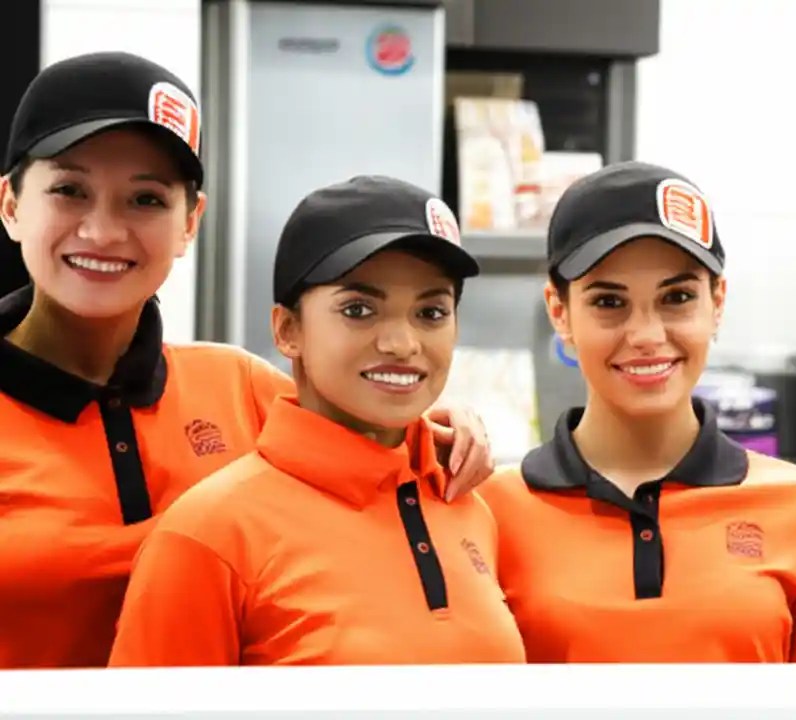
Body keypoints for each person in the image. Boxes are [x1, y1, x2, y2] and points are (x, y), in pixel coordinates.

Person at [0, 52, 493, 669]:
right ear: (11, 204)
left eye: (146, 199)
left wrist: (443, 427)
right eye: (70, 191)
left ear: (190, 222)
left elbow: (366, 441)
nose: (103, 232)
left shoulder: (242, 389)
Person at [108, 176, 525, 666]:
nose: (402, 344)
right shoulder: (209, 534)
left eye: (431, 313)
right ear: (288, 330)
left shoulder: (466, 505)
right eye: (358, 309)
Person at [478, 161, 796, 663]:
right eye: (609, 302)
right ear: (560, 312)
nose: (647, 335)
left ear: (717, 303)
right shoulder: (488, 512)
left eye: (677, 297)